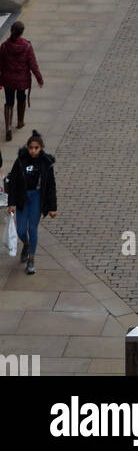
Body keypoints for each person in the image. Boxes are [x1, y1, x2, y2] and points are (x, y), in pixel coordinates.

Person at [6, 128, 57, 274]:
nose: (33, 151)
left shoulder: (45, 163)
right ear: (27, 148)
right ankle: (26, 244)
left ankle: (31, 259)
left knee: (32, 228)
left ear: (41, 148)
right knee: (21, 230)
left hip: (36, 197)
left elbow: (51, 186)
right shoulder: (21, 161)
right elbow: (13, 182)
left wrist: (53, 207)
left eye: (36, 148)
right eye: (31, 148)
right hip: (23, 197)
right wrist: (11, 203)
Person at [0, 21, 43, 142]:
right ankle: (20, 121)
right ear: (22, 32)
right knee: (21, 98)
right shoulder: (27, 46)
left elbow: (0, 64)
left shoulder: (4, 46)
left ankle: (8, 126)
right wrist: (39, 78)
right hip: (21, 80)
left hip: (8, 79)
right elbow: (33, 64)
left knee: (9, 101)